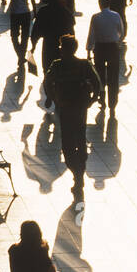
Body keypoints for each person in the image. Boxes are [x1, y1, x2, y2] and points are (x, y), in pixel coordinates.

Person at [44, 35, 102, 198]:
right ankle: (79, 173)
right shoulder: (83, 64)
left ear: (65, 49)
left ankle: (77, 175)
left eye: (62, 47)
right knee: (80, 138)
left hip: (66, 107)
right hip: (81, 106)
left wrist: (52, 97)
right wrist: (92, 99)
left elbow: (47, 82)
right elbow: (97, 82)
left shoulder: (57, 65)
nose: (60, 49)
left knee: (68, 144)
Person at [87, 0, 123, 115]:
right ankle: (113, 101)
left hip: (100, 48)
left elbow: (91, 34)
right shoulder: (116, 15)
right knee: (113, 75)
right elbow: (121, 31)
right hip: (113, 47)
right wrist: (117, 39)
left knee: (100, 75)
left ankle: (102, 99)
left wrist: (88, 49)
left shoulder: (95, 17)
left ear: (99, 4)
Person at [30, 0, 73, 78]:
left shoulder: (43, 11)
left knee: (47, 70)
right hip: (63, 47)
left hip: (48, 46)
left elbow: (36, 31)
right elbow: (72, 31)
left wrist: (33, 44)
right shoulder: (65, 12)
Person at [1, 0, 35, 64]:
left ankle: (19, 55)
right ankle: (22, 55)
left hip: (15, 12)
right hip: (26, 11)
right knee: (25, 36)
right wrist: (35, 11)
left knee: (14, 36)